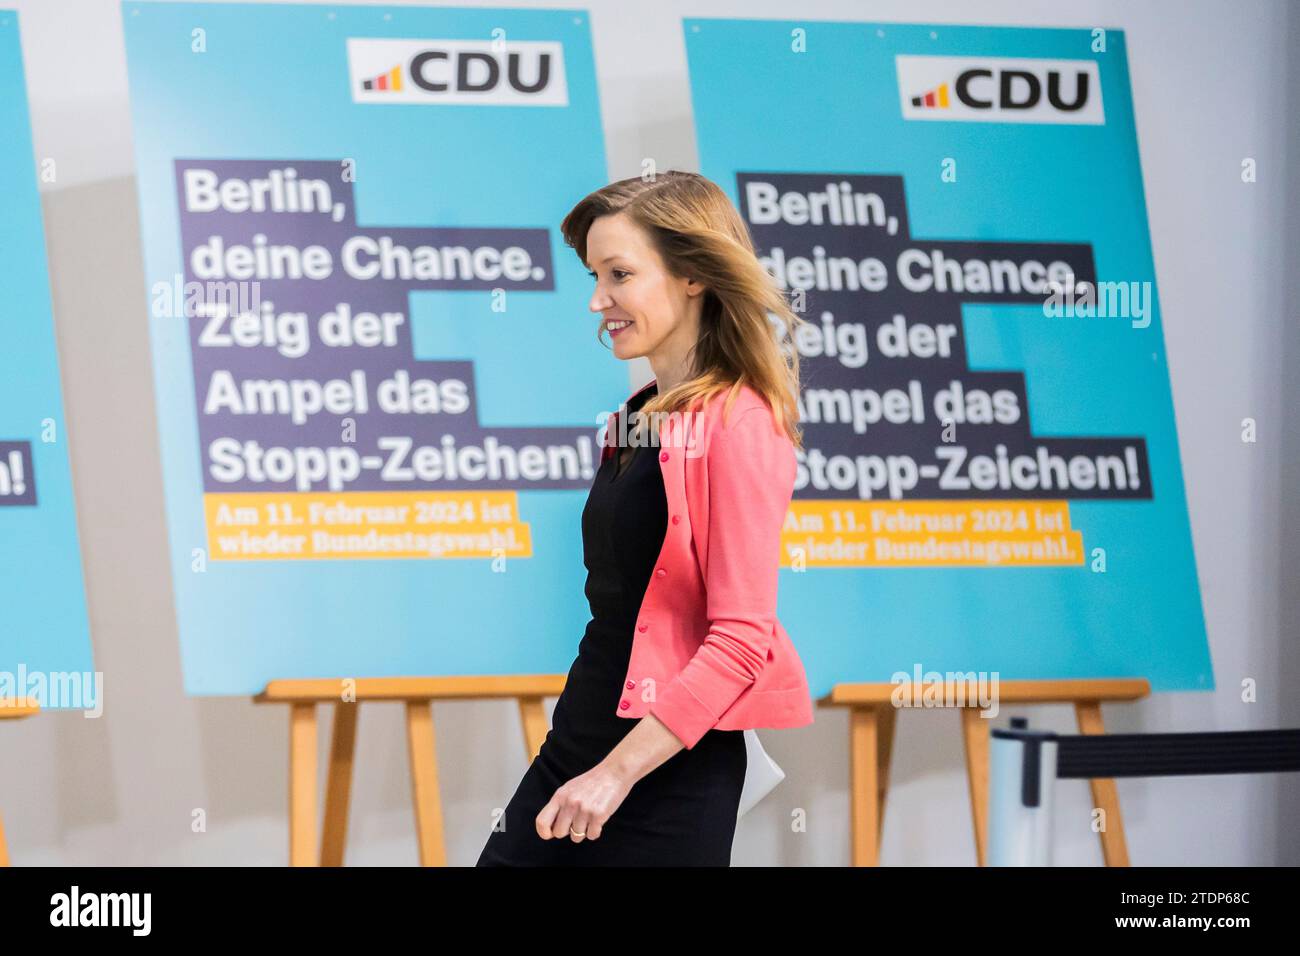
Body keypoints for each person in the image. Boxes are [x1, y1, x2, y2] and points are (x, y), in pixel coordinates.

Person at [476, 170, 814, 867]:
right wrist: (588, 759)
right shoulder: (637, 417)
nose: (598, 299)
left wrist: (616, 775)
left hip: (663, 772)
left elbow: (740, 640)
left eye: (620, 274)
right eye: (595, 276)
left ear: (694, 275)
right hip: (579, 741)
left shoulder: (743, 423)